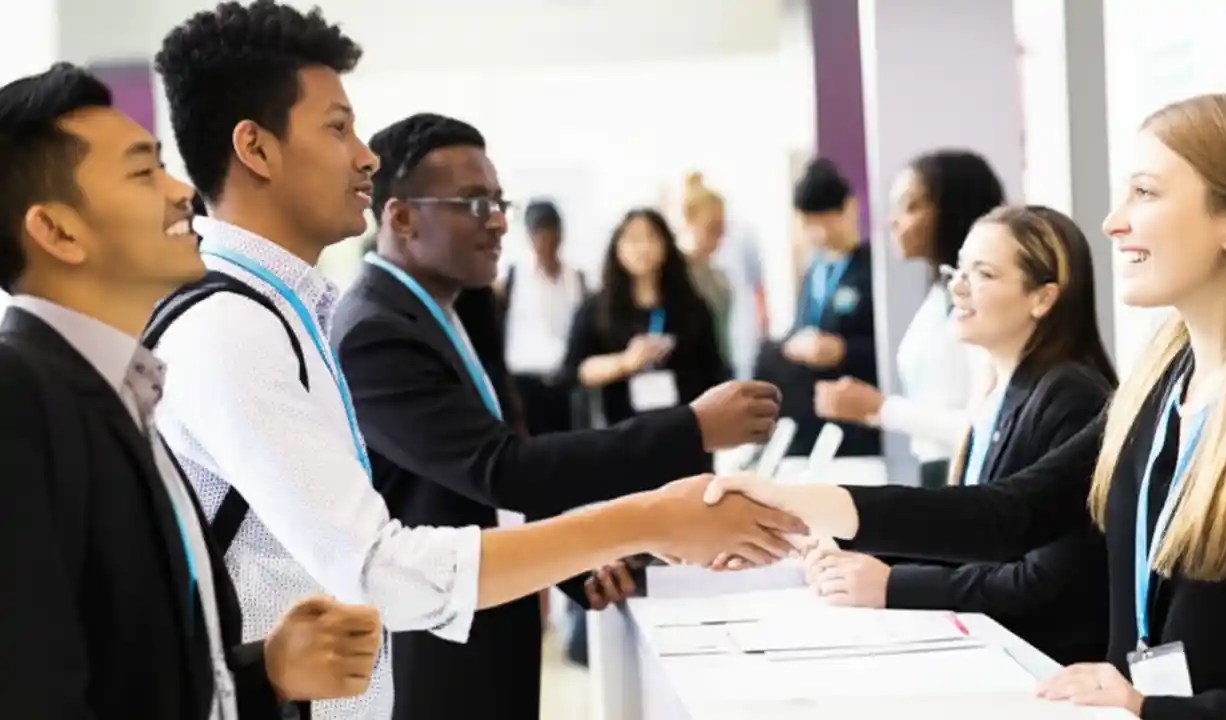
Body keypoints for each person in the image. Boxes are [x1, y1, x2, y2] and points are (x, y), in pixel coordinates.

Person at [148, 4, 805, 719]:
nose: (365, 155)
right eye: (337, 127)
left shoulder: (295, 310)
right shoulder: (230, 329)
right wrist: (649, 519)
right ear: (257, 148)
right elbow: (381, 568)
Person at [709, 93, 1226, 718]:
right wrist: (795, 505)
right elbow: (1012, 512)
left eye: (1145, 192)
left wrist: (1152, 708)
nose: (1114, 222)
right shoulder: (1161, 383)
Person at [330, 113, 783, 719]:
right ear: (402, 216)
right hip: (436, 638)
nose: (496, 222)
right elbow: (500, 468)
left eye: (498, 201)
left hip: (494, 614)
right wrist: (690, 428)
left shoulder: (458, 305)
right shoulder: (374, 331)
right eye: (472, 203)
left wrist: (574, 561)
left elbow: (496, 453)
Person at [0, 62, 383, 719]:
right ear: (58, 231)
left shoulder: (121, 389)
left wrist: (265, 672)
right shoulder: (19, 402)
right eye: (143, 171)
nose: (182, 192)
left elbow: (125, 666)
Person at [807, 205, 1116, 663]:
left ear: (1043, 298)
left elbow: (1049, 580)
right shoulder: (999, 385)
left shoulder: (1072, 396)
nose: (957, 287)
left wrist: (891, 584)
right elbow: (971, 542)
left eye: (983, 274)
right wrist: (859, 554)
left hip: (1049, 667)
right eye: (958, 270)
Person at [816, 150, 1004, 485]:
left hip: (964, 477)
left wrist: (880, 408)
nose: (894, 221)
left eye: (911, 206)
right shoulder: (939, 293)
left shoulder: (979, 299)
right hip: (936, 473)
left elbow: (984, 428)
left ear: (951, 211)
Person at [565, 207, 731, 435]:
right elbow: (576, 370)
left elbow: (714, 369)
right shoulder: (597, 308)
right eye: (633, 239)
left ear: (666, 245)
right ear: (617, 247)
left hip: (683, 432)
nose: (642, 248)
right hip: (619, 434)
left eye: (651, 237)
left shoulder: (691, 305)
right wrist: (625, 362)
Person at [759, 158, 880, 456]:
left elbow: (888, 347)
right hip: (813, 419)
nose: (821, 233)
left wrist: (843, 350)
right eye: (811, 223)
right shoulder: (815, 271)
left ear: (849, 208)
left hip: (859, 420)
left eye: (828, 219)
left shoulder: (872, 270)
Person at [495, 199, 584, 437]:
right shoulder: (514, 278)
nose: (545, 241)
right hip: (523, 384)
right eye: (539, 233)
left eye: (550, 232)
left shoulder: (577, 279)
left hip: (564, 383)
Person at [682, 172, 767, 380]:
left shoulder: (719, 277)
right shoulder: (678, 274)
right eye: (713, 228)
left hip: (722, 368)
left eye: (722, 228)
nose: (720, 236)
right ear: (689, 221)